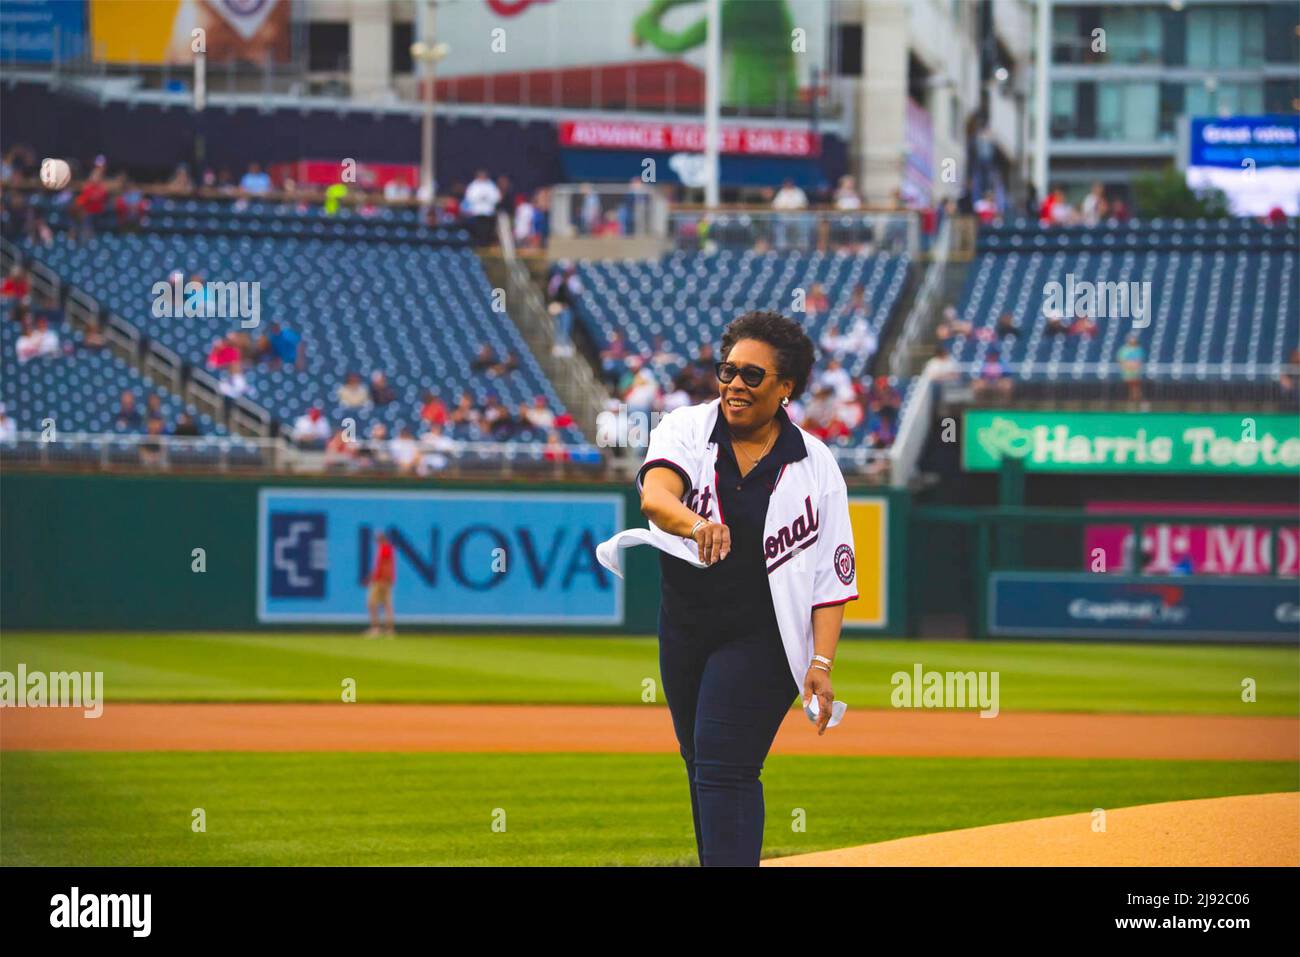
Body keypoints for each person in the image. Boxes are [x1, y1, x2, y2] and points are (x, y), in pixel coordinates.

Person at [596, 310, 858, 867]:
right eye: (728, 370)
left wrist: (823, 662)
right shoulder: (686, 427)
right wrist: (697, 525)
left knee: (725, 765)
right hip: (687, 623)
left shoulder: (816, 465)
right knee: (701, 761)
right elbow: (656, 497)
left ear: (787, 388)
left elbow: (831, 579)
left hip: (764, 633)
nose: (735, 384)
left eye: (753, 375)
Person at [364, 531, 396, 638]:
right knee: (387, 604)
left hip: (381, 580)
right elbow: (381, 565)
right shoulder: (386, 548)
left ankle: (376, 629)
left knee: (372, 603)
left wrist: (381, 578)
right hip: (384, 579)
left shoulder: (385, 548)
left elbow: (385, 565)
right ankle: (389, 630)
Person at [462, 170, 502, 247]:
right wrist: (480, 197)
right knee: (478, 230)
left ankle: (487, 245)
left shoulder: (490, 185)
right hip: (477, 212)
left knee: (488, 231)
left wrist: (486, 197)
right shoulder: (473, 185)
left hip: (488, 213)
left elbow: (497, 197)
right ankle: (479, 245)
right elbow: (469, 197)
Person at [1118, 334, 1145, 404]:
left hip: (1136, 371)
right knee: (1130, 386)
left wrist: (1135, 365)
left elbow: (1140, 360)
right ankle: (1130, 400)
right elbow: (1121, 360)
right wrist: (1127, 365)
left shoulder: (1138, 349)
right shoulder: (1124, 349)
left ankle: (1137, 399)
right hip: (1127, 372)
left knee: (1136, 386)